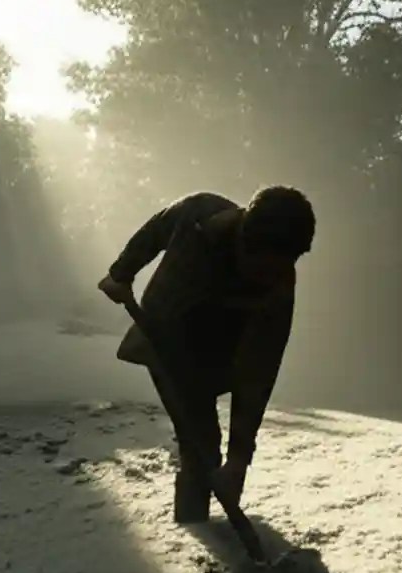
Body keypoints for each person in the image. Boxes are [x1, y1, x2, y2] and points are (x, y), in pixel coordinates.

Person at [97, 187, 315, 523]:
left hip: (220, 354)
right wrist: (121, 273)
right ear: (245, 241)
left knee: (211, 452)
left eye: (284, 266)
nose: (270, 278)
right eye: (263, 268)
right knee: (201, 447)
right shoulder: (198, 215)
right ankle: (194, 530)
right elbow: (156, 228)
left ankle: (204, 527)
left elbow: (259, 369)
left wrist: (240, 460)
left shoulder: (280, 282)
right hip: (166, 341)